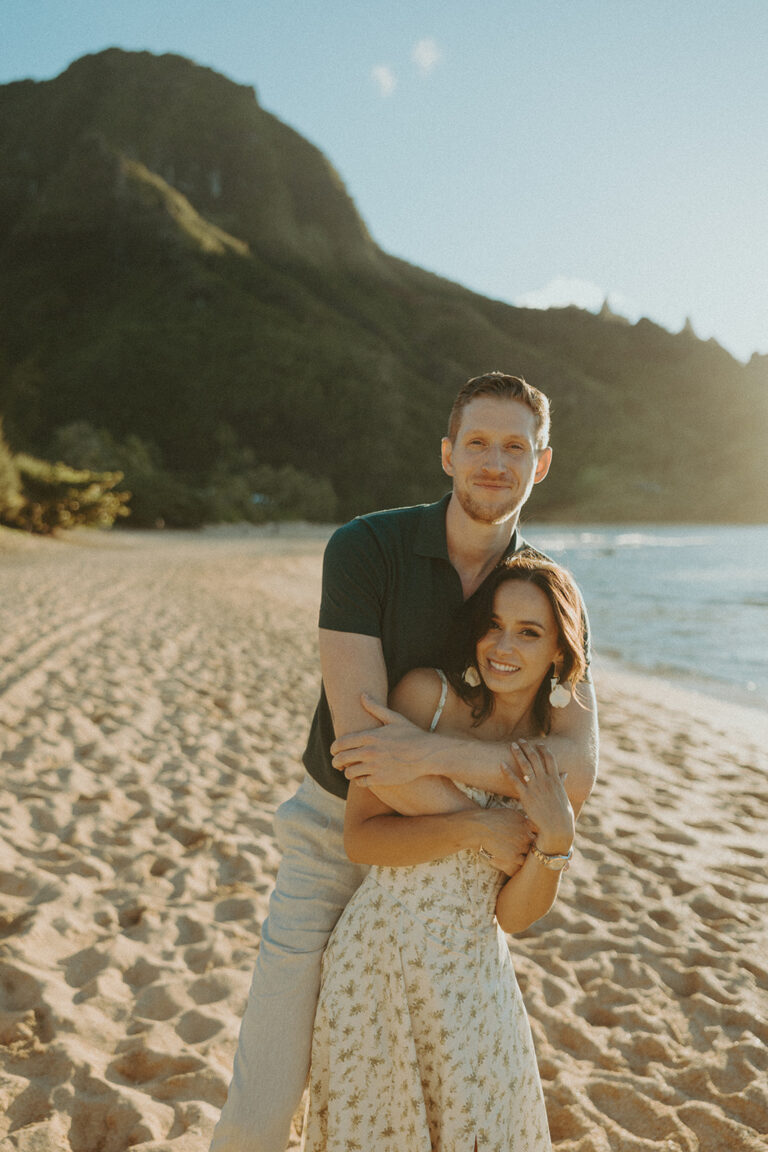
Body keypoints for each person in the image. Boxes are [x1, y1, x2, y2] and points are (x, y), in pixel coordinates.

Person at [210, 373, 598, 1152]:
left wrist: (432, 757)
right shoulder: (365, 547)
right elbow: (365, 752)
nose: (495, 462)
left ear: (542, 463)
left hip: (461, 881)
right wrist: (487, 821)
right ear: (448, 453)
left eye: (515, 446)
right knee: (268, 1093)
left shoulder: (543, 589)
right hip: (335, 834)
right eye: (479, 443)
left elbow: (578, 766)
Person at [302, 552, 588, 1151]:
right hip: (379, 958)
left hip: (474, 971)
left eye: (529, 632)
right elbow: (363, 837)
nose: (502, 645)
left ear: (559, 652)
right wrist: (476, 828)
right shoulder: (425, 697)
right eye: (493, 624)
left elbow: (512, 915)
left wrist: (557, 842)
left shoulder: (552, 760)